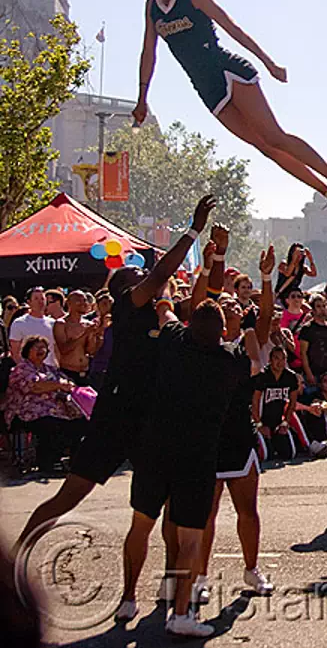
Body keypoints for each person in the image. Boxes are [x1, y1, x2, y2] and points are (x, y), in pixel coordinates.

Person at [102, 0, 327, 218]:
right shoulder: (151, 8)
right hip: (206, 87)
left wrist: (269, 63)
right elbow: (149, 52)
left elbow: (233, 29)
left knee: (275, 136)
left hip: (229, 71)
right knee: (265, 148)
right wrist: (142, 97)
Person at [15, 196, 216, 552]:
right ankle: (19, 552)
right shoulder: (126, 306)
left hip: (151, 421)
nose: (150, 283)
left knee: (167, 506)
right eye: (139, 278)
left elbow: (199, 305)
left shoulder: (160, 315)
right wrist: (193, 231)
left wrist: (214, 259)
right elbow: (159, 275)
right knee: (70, 495)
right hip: (116, 417)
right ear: (126, 288)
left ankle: (176, 584)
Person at [120, 256, 272, 638]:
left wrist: (167, 287)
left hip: (155, 449)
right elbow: (256, 362)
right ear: (222, 331)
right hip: (197, 455)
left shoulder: (173, 340)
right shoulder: (230, 360)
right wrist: (251, 330)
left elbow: (166, 310)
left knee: (141, 524)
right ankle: (182, 614)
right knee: (190, 536)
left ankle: (127, 599)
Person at [196, 241, 277, 604]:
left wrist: (265, 276)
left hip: (238, 434)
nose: (231, 303)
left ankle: (251, 569)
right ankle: (199, 576)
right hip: (206, 435)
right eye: (224, 301)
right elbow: (199, 299)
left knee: (248, 509)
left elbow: (265, 316)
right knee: (205, 512)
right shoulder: (198, 346)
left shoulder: (248, 342)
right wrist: (213, 261)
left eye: (234, 303)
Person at [3, 336, 87, 473]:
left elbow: (68, 383)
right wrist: (58, 385)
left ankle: (74, 463)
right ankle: (48, 462)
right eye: (38, 347)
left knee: (79, 423)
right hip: (26, 412)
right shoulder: (21, 369)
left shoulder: (50, 369)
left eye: (45, 348)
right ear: (28, 350)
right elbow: (36, 387)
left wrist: (66, 385)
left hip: (54, 409)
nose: (42, 350)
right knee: (51, 424)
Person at [253, 346, 302, 461]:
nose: (280, 362)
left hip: (278, 421)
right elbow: (254, 402)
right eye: (276, 358)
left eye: (283, 359)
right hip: (260, 421)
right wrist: (259, 425)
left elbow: (292, 403)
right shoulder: (262, 376)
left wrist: (285, 423)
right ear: (270, 360)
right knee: (266, 455)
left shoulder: (290, 377)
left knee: (289, 454)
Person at [52, 291, 103, 384]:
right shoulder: (61, 324)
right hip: (68, 372)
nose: (83, 303)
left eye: (85, 300)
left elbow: (90, 351)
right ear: (69, 303)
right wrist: (84, 334)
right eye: (78, 301)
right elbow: (64, 349)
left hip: (86, 372)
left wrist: (97, 336)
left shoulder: (88, 324)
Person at [297, 294, 327, 391]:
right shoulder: (307, 329)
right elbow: (303, 353)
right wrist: (308, 373)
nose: (322, 309)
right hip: (313, 372)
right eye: (318, 306)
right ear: (313, 309)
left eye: (323, 306)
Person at [8, 288, 57, 368]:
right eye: (36, 298)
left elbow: (56, 349)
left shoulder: (53, 323)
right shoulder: (19, 323)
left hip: (50, 369)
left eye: (42, 298)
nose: (40, 302)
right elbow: (15, 352)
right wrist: (25, 369)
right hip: (29, 372)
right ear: (29, 302)